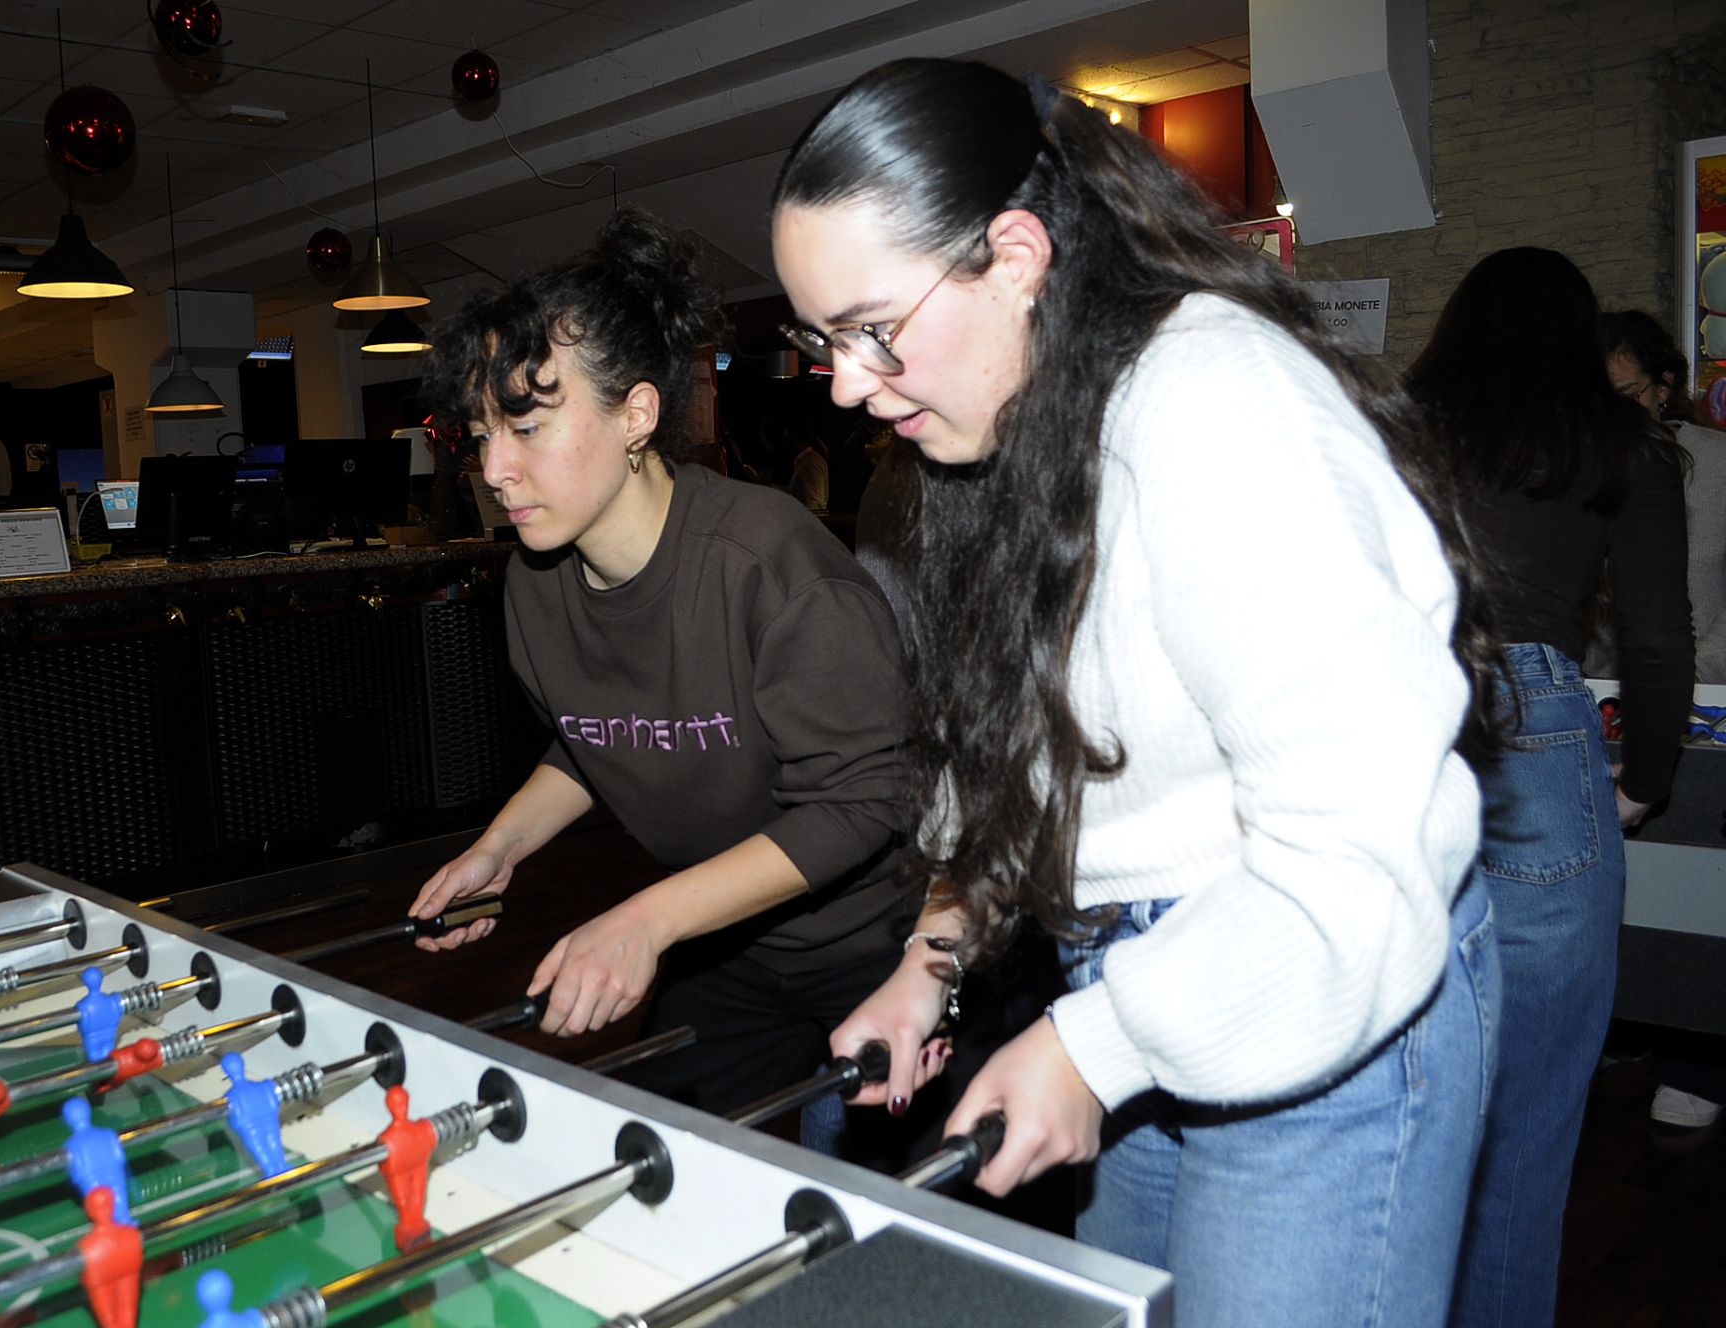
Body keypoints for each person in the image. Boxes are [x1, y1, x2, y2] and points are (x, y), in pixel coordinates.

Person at [770, 59, 1496, 1327]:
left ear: (1013, 253)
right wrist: (932, 960)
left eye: (871, 327)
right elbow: (1026, 777)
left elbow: (1356, 858)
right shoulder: (995, 439)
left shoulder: (1216, 400)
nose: (842, 382)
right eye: (821, 340)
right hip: (1141, 993)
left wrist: (1088, 1048)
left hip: (1324, 986)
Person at [407, 209, 915, 1119]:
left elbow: (866, 796)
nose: (495, 469)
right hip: (726, 946)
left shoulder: (766, 566)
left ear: (636, 414)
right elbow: (598, 737)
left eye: (526, 427)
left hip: (881, 950)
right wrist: (501, 848)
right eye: (482, 435)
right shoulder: (536, 578)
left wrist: (648, 918)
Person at [1407, 253, 1693, 1327]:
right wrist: (1642, 781)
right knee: (1523, 1133)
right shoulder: (1620, 443)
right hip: (1534, 737)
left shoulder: (1393, 431)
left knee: (1392, 1113)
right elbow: (1660, 642)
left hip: (1396, 728)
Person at [1601, 307, 1726, 1132]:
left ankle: (1700, 1057)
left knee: (1705, 887)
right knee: (1626, 879)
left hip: (1711, 695)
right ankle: (1629, 1021)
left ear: (1667, 386)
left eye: (1628, 393)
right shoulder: (1583, 463)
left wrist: (1703, 671)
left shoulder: (1715, 464)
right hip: (1602, 695)